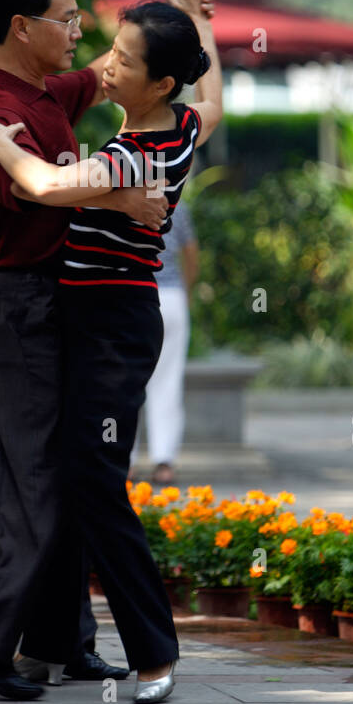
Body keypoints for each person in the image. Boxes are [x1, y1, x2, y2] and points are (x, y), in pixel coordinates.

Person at [0, 0, 215, 703]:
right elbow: (40, 187)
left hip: (74, 306)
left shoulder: (46, 89)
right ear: (20, 28)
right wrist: (126, 199)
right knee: (39, 483)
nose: (81, 35)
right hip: (22, 305)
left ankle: (57, 643)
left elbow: (117, 73)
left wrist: (187, 24)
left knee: (67, 478)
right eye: (66, 19)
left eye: (80, 21)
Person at [143, 195, 199, 486]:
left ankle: (121, 459)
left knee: (120, 380)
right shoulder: (177, 204)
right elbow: (191, 252)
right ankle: (163, 461)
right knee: (167, 381)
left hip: (130, 293)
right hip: (170, 296)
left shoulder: (116, 195)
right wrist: (186, 291)